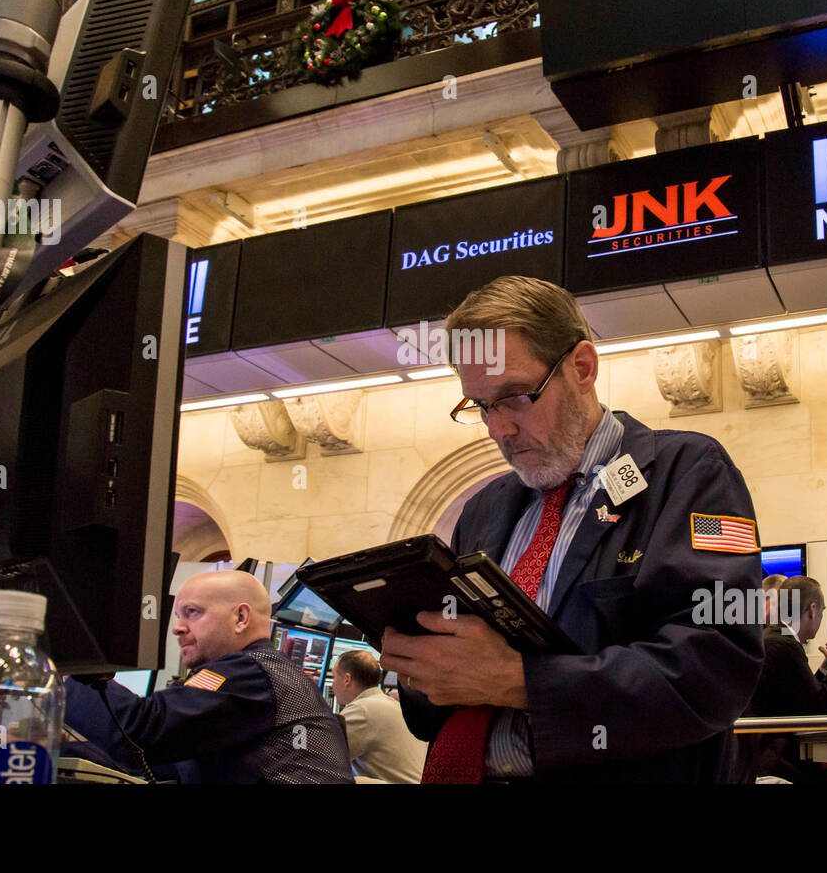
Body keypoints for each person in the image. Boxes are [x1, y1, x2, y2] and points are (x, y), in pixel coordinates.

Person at [379, 276, 764, 783]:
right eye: (479, 406)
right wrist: (423, 666)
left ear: (581, 368)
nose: (498, 430)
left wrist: (518, 681)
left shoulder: (690, 473)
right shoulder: (481, 510)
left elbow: (717, 665)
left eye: (515, 396)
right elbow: (434, 715)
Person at [63, 570, 353, 783]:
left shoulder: (253, 671)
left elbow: (139, 732)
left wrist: (71, 666)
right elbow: (171, 761)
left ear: (241, 618)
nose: (177, 628)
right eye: (178, 615)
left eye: (192, 612)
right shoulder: (265, 671)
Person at [741, 575, 827, 783]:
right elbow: (819, 706)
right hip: (773, 760)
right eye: (822, 611)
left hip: (763, 757)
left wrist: (826, 667)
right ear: (812, 609)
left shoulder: (775, 637)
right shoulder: (784, 644)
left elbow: (800, 697)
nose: (820, 617)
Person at [332, 650, 427, 783]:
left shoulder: (364, 709)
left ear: (347, 679)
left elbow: (320, 756)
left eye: (334, 677)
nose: (332, 684)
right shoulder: (389, 704)